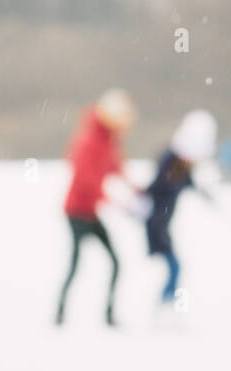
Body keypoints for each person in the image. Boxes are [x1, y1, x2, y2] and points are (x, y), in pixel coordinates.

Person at [57, 89, 136, 326]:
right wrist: (113, 201)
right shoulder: (88, 140)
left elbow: (115, 166)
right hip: (76, 212)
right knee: (76, 265)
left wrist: (133, 188)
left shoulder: (108, 140)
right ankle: (59, 313)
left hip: (92, 212)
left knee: (115, 262)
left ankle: (109, 314)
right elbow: (85, 179)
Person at [145, 110, 217, 306]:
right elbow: (156, 189)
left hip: (161, 225)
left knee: (175, 268)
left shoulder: (180, 169)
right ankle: (168, 306)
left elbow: (188, 182)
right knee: (175, 267)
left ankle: (170, 305)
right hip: (157, 225)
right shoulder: (170, 165)